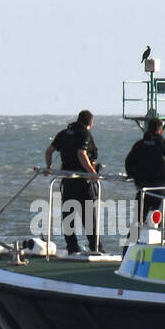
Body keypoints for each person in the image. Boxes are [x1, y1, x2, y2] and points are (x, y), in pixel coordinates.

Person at [45, 109, 104, 254]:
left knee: (68, 218)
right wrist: (92, 173)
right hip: (83, 182)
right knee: (89, 219)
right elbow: (81, 153)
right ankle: (96, 248)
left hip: (67, 182)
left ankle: (72, 248)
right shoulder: (85, 134)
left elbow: (49, 151)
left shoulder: (64, 133)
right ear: (90, 123)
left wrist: (49, 167)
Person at [125, 117, 165, 221]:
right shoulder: (164, 145)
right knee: (159, 222)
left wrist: (133, 175)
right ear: (161, 130)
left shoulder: (139, 145)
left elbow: (128, 163)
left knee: (137, 221)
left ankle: (135, 236)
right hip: (161, 190)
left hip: (144, 188)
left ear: (147, 129)